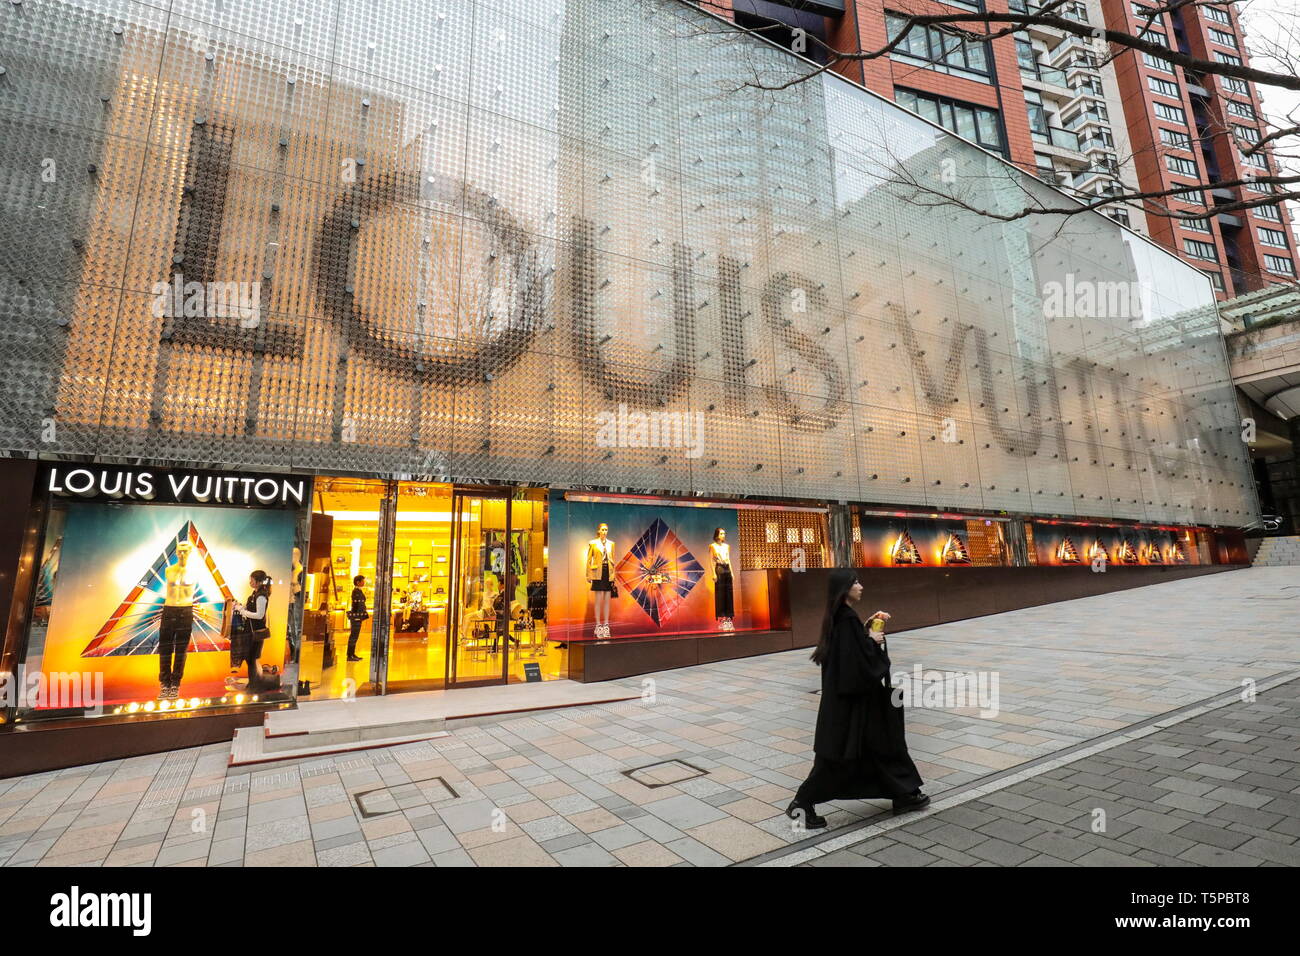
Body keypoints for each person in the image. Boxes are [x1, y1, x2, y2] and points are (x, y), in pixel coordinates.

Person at [787, 569, 928, 830]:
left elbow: (849, 655)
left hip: (847, 704)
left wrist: (866, 633)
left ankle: (904, 793)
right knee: (843, 758)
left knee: (874, 749)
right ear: (845, 590)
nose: (861, 586)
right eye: (855, 583)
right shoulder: (846, 619)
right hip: (852, 706)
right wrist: (873, 642)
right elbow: (857, 666)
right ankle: (802, 803)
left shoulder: (841, 618)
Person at [232, 570, 272, 691]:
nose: (250, 582)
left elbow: (259, 615)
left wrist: (243, 611)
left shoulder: (261, 596)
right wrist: (240, 607)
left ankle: (254, 685)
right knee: (251, 658)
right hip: (252, 631)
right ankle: (254, 683)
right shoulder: (256, 594)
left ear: (258, 582)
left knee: (252, 658)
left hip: (255, 632)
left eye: (252, 580)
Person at [584, 523, 615, 638]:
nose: (604, 532)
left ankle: (606, 625)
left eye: (606, 530)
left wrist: (613, 575)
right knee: (598, 599)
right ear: (599, 531)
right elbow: (588, 560)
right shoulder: (593, 543)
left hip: (608, 572)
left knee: (607, 599)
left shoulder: (611, 544)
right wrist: (588, 575)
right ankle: (598, 626)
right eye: (602, 529)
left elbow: (613, 560)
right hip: (597, 572)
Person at [710, 528, 734, 631]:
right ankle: (722, 618)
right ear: (717, 535)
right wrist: (713, 573)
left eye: (724, 533)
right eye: (721, 533)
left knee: (729, 593)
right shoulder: (713, 546)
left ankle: (729, 617)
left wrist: (732, 572)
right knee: (720, 593)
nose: (723, 535)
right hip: (719, 568)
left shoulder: (726, 546)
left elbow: (729, 559)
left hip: (727, 568)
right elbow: (711, 560)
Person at [346, 574, 368, 662]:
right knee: (353, 636)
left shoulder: (359, 591)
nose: (364, 582)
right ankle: (349, 655)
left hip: (358, 616)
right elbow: (356, 605)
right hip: (356, 617)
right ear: (358, 582)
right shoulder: (355, 591)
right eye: (362, 581)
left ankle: (352, 653)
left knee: (355, 635)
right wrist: (357, 615)